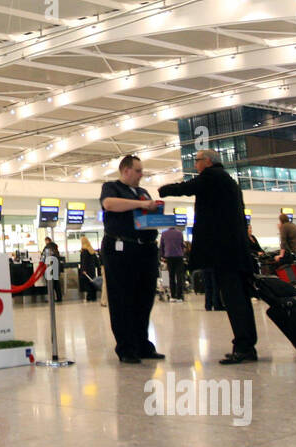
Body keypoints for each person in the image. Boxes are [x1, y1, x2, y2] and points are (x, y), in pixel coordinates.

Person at [158, 150, 259, 364]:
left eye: (197, 161)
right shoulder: (228, 181)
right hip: (235, 251)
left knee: (233, 299)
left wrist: (163, 189)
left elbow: (187, 188)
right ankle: (246, 344)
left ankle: (244, 346)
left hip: (225, 252)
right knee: (238, 298)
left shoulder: (212, 177)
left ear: (208, 162)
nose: (195, 165)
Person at [100, 154, 165, 364]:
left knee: (144, 299)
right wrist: (141, 204)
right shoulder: (111, 187)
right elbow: (109, 204)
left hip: (145, 250)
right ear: (125, 170)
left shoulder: (143, 192)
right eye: (137, 171)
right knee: (121, 300)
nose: (141, 174)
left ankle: (142, 343)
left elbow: (146, 214)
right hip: (120, 250)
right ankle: (126, 347)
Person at [159, 224, 186, 300]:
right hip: (179, 257)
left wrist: (162, 256)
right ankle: (179, 295)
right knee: (179, 276)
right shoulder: (180, 233)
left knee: (171, 277)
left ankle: (173, 296)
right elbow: (182, 245)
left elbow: (162, 246)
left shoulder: (164, 234)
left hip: (169, 257)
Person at [40, 239, 64, 303]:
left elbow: (43, 257)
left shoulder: (47, 248)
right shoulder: (55, 249)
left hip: (49, 268)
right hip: (56, 268)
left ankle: (51, 298)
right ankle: (59, 297)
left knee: (50, 285)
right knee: (56, 284)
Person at [78, 235, 100, 302]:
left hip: (86, 270)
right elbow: (97, 262)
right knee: (92, 283)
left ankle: (89, 297)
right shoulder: (91, 250)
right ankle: (93, 297)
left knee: (87, 284)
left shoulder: (84, 251)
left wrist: (83, 270)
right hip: (92, 270)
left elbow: (84, 261)